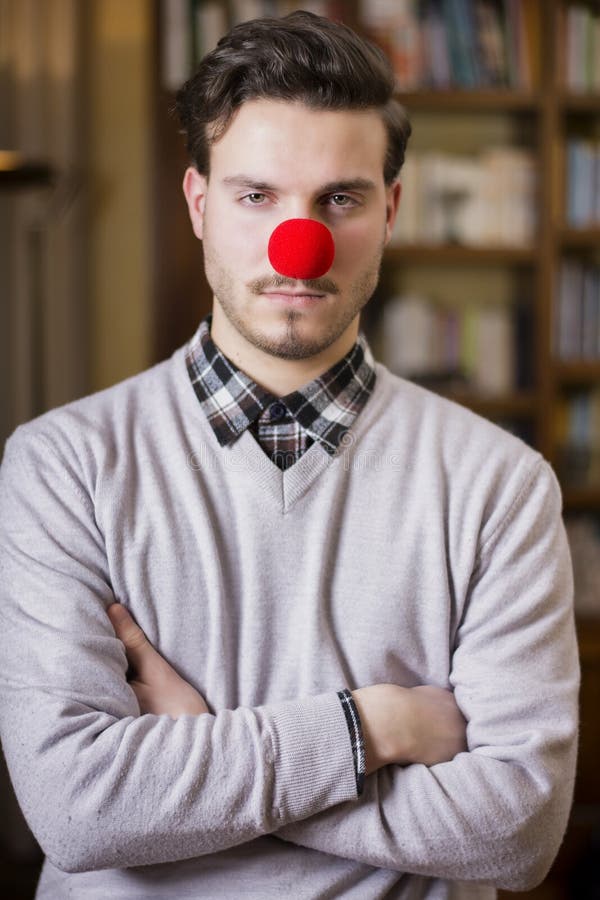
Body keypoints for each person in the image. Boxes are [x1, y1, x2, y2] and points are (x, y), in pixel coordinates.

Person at [0, 10, 579, 900]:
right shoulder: (59, 467)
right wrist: (370, 730)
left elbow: (517, 833)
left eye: (339, 199)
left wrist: (196, 758)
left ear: (389, 210)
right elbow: (78, 810)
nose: (296, 246)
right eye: (257, 195)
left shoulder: (498, 486)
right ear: (198, 204)